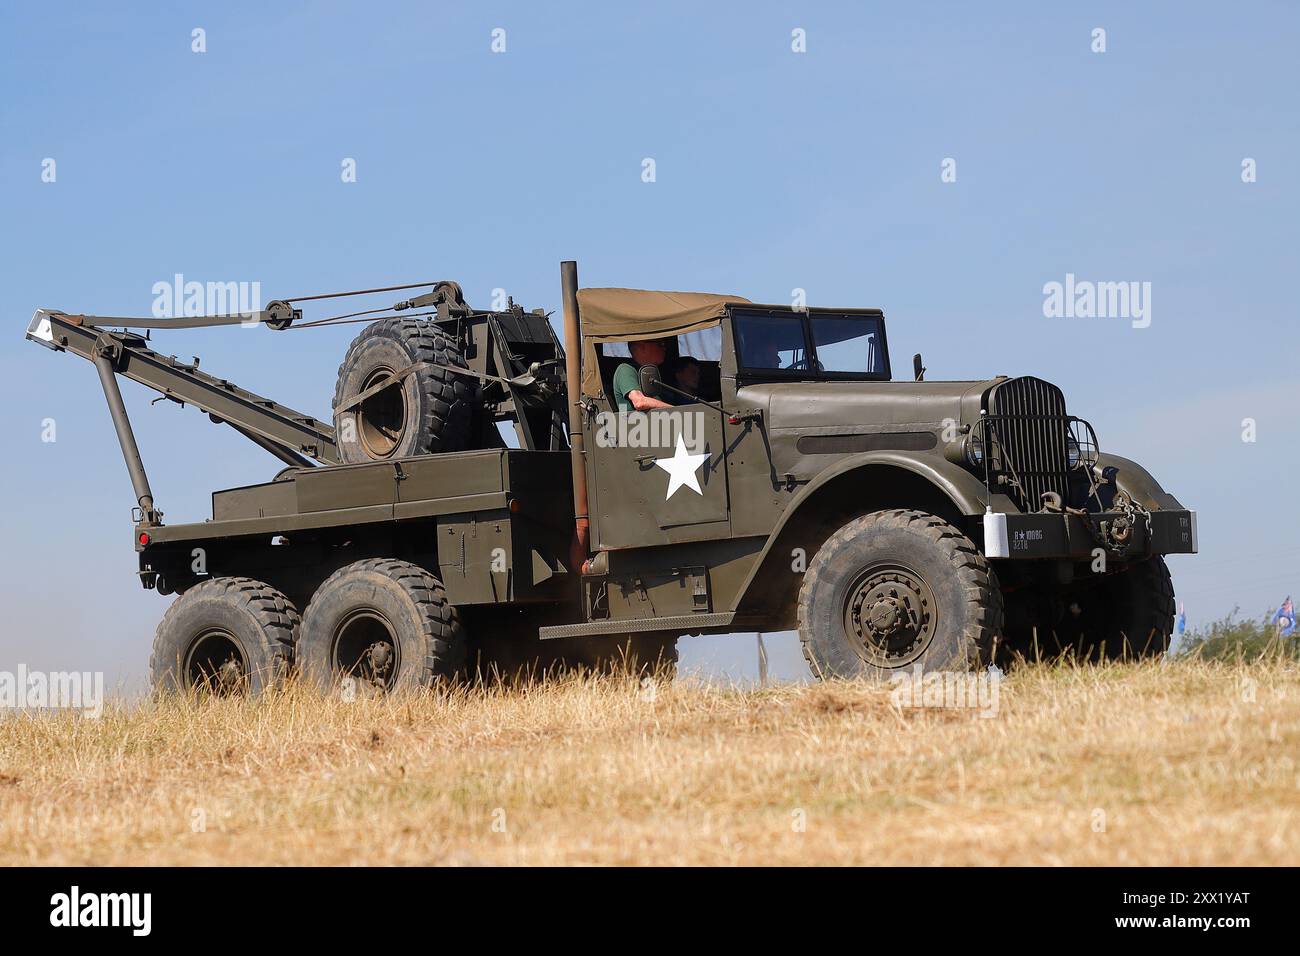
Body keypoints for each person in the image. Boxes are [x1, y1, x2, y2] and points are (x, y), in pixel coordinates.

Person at [612, 339, 674, 412]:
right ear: (642, 347)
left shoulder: (656, 373)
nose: (664, 348)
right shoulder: (625, 369)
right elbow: (639, 402)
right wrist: (678, 410)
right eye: (660, 344)